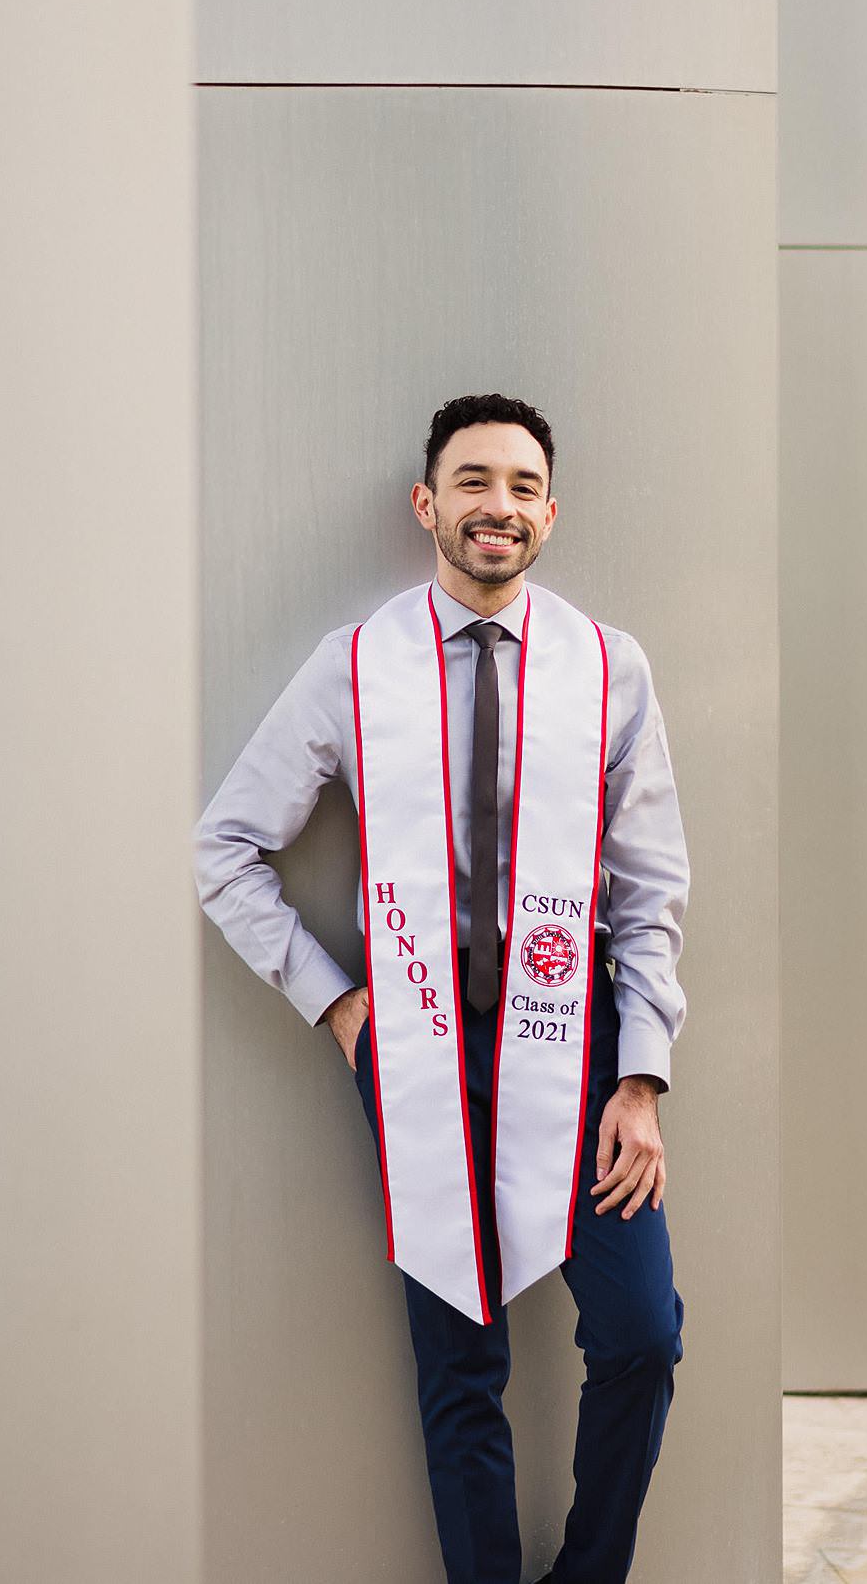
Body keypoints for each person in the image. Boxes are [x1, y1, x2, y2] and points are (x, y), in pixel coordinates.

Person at [193, 392, 692, 1584]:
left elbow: (650, 881)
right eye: (472, 482)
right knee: (458, 1362)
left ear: (550, 513)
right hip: (419, 1047)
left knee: (642, 1335)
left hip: (577, 1050)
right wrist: (334, 999)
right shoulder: (356, 667)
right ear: (428, 504)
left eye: (521, 487)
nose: (497, 507)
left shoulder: (606, 667)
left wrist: (644, 1070)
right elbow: (226, 847)